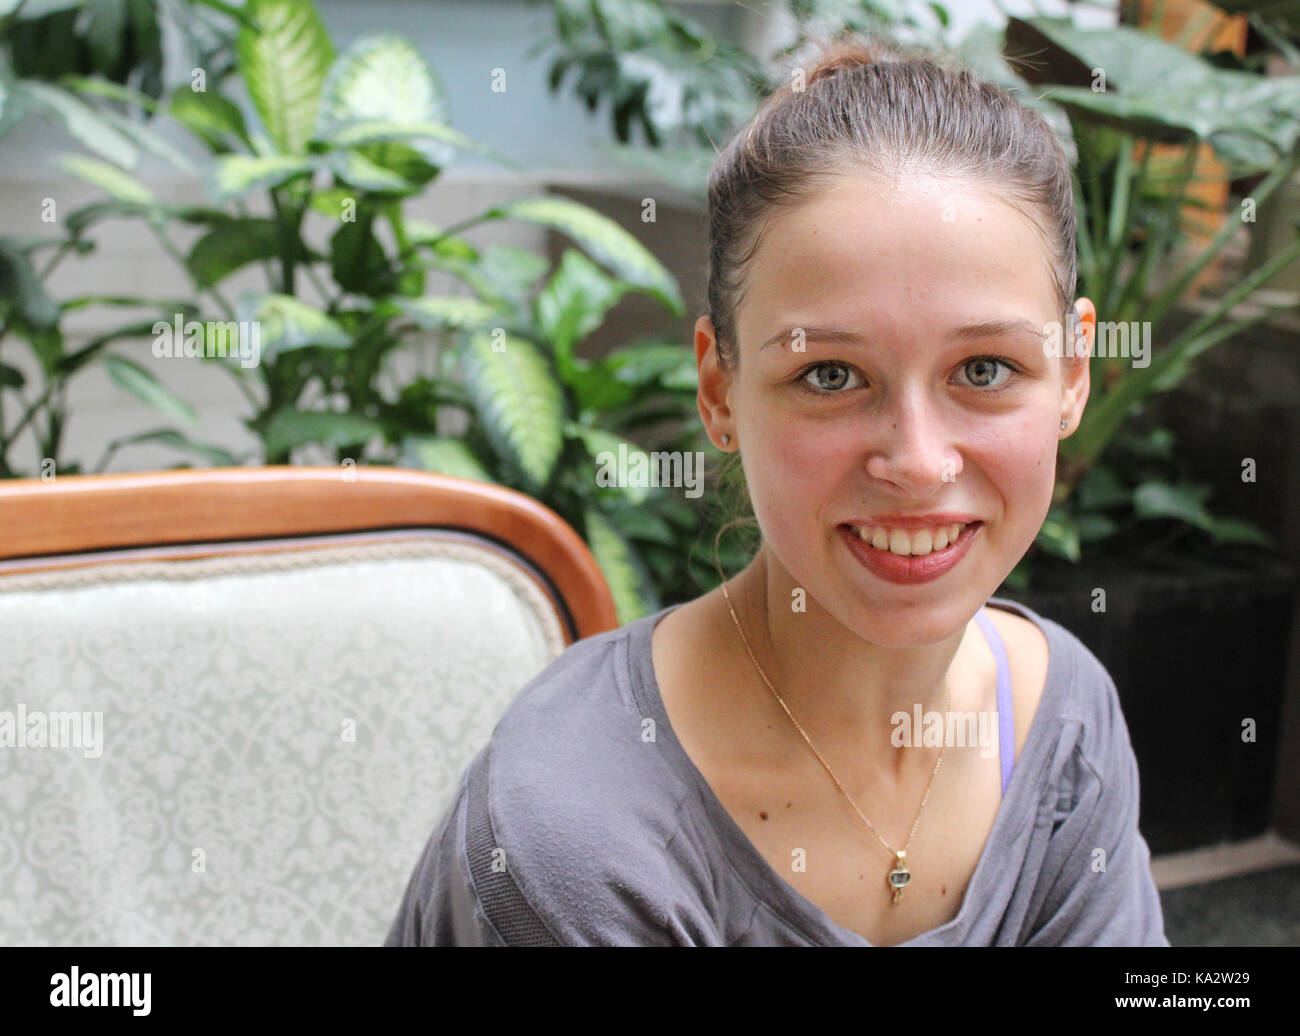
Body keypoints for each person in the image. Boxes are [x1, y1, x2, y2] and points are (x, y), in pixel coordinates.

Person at [383, 38, 1169, 947]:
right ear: (720, 389)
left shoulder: (1061, 722)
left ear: (1074, 371)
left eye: (984, 367)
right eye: (832, 375)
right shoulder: (580, 833)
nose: (917, 462)